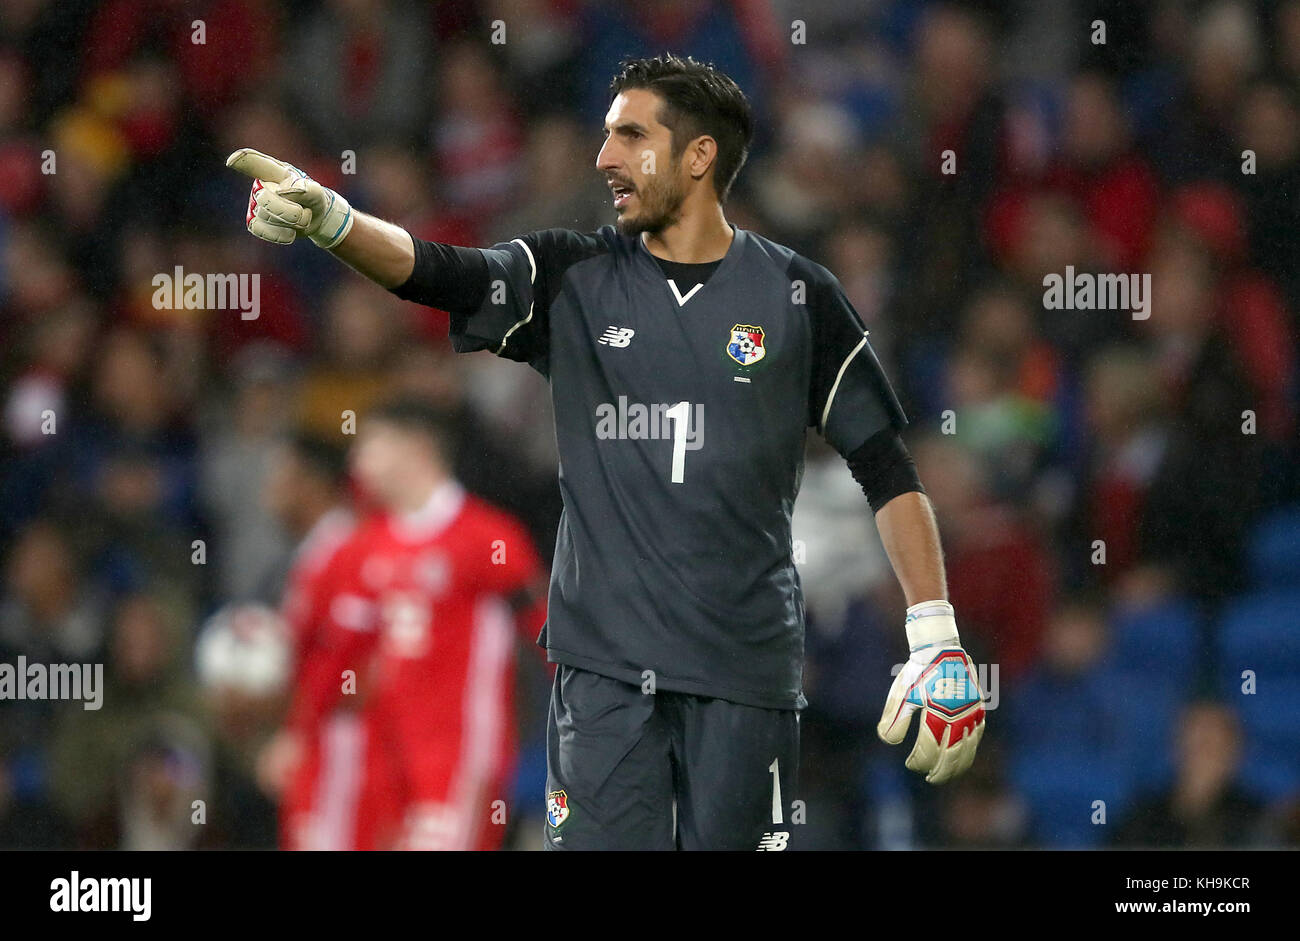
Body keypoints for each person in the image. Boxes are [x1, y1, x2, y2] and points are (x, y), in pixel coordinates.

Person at [227, 54, 985, 850]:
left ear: (699, 157)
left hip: (747, 676)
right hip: (603, 680)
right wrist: (334, 223)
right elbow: (438, 272)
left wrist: (935, 632)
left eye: (631, 135)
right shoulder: (571, 276)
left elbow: (886, 468)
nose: (605, 158)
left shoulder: (799, 297)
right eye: (603, 134)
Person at [327, 399, 547, 850]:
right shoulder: (363, 549)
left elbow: (547, 633)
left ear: (416, 447)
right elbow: (345, 659)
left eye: (370, 445)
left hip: (458, 755)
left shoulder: (488, 539)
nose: (357, 461)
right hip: (384, 759)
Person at [256, 432, 364, 851]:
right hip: (321, 742)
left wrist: (298, 736)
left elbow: (342, 659)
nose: (268, 490)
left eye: (279, 477)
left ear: (311, 483)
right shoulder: (314, 553)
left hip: (341, 748)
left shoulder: (345, 553)